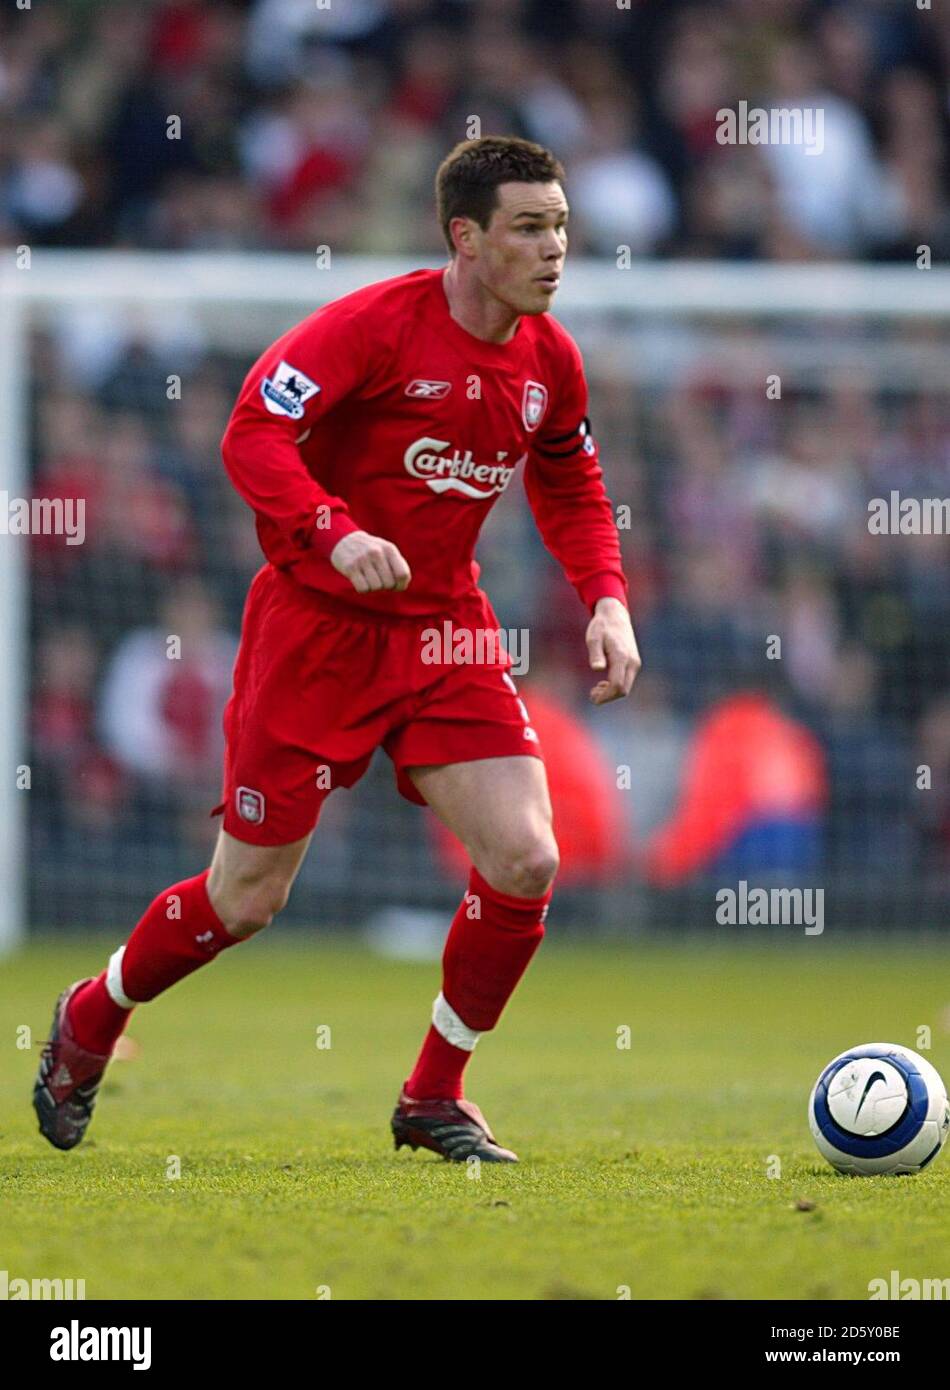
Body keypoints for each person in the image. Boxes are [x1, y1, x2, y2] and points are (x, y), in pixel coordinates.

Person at [34, 136, 640, 1164]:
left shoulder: (548, 360)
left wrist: (607, 600)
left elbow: (570, 484)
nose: (554, 250)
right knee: (247, 899)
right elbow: (249, 435)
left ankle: (432, 1094)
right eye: (529, 228)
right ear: (465, 237)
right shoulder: (368, 328)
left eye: (561, 227)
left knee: (526, 857)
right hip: (315, 634)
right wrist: (333, 530)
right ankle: (94, 1015)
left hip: (447, 631)